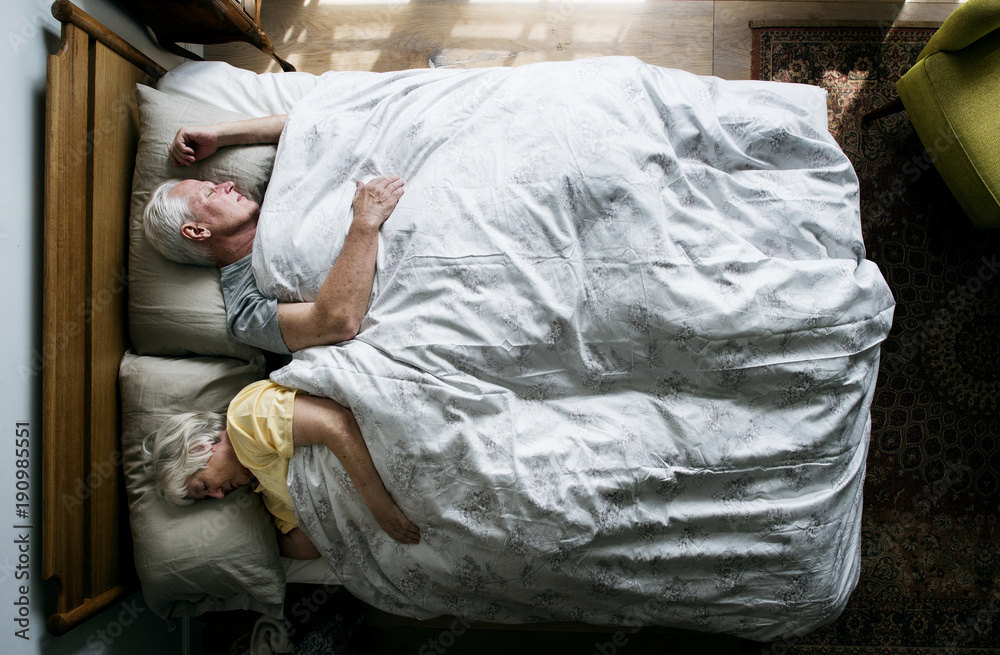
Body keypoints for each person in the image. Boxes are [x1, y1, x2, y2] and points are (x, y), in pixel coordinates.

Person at [142, 115, 405, 354]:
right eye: (211, 192)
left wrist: (218, 134)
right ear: (197, 231)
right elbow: (335, 322)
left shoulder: (275, 194)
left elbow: (314, 123)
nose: (228, 184)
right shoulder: (245, 312)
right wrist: (364, 223)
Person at [145, 379, 421, 559]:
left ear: (200, 448)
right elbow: (312, 544)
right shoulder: (265, 492)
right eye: (206, 497)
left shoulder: (244, 420)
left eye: (203, 486)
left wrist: (383, 511)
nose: (218, 496)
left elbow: (335, 424)